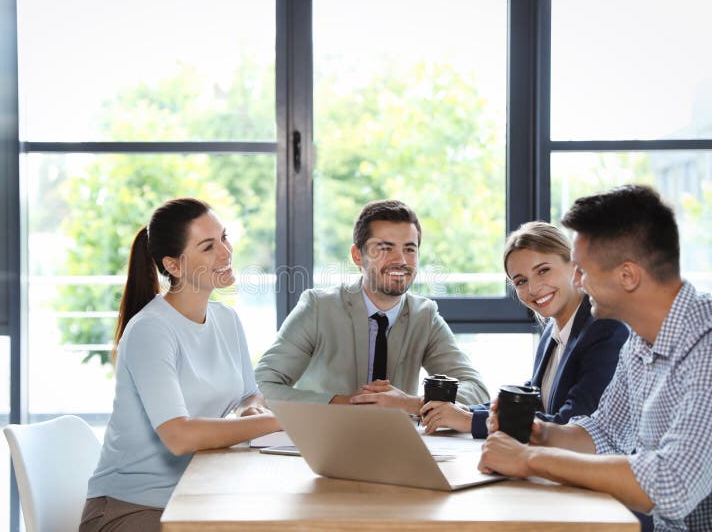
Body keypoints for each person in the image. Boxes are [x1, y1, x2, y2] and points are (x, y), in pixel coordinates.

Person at [478, 185, 712, 531]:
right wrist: (538, 433)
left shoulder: (705, 343)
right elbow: (604, 433)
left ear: (627, 275)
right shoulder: (640, 343)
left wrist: (530, 459)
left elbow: (670, 485)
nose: (576, 281)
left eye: (582, 270)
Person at [80, 198, 280, 532]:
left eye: (224, 238)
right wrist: (274, 424)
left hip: (196, 497)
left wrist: (251, 409)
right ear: (173, 265)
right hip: (132, 509)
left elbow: (249, 394)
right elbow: (178, 435)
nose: (226, 253)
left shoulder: (227, 319)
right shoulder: (151, 330)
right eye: (208, 247)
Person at [254, 199, 490, 413]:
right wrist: (342, 403)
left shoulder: (424, 316)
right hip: (326, 440)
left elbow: (476, 390)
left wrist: (409, 403)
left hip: (397, 445)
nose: (401, 260)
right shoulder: (319, 308)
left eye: (409, 249)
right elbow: (262, 386)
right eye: (385, 248)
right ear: (358, 256)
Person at [420, 221, 628, 437]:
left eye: (543, 270)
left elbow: (574, 423)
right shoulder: (553, 331)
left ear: (574, 265)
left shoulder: (606, 330)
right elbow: (534, 401)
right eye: (521, 281)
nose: (534, 289)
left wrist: (471, 420)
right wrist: (468, 410)